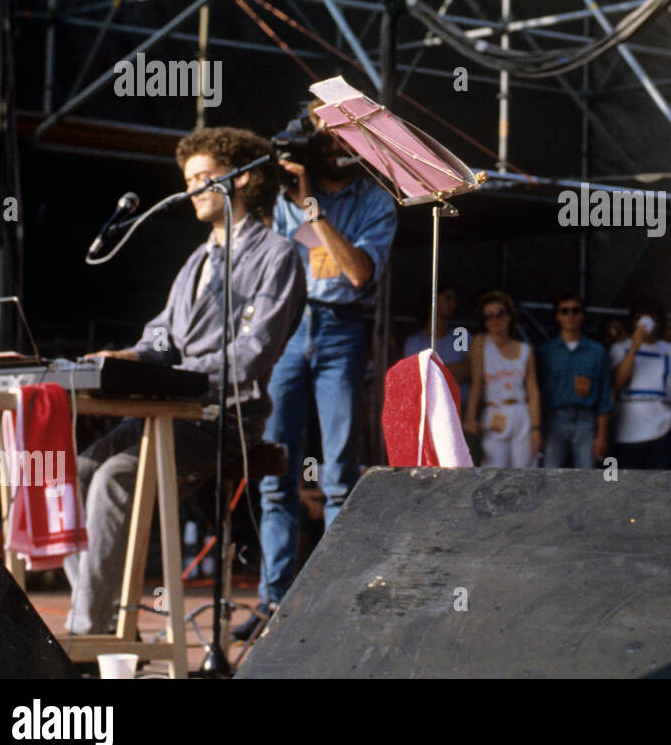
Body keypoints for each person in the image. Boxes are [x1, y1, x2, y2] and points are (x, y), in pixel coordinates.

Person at [66, 128, 305, 635]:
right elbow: (162, 338)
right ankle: (104, 618)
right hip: (166, 409)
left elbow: (251, 354)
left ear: (239, 181)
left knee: (114, 479)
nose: (193, 189)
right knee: (75, 471)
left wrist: (173, 377)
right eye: (188, 180)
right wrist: (125, 356)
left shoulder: (277, 257)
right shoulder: (197, 261)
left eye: (203, 178)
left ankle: (87, 634)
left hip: (220, 417)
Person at [238, 103, 397, 639]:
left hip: (341, 330)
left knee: (339, 475)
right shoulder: (279, 197)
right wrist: (284, 191)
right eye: (327, 138)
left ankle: (337, 600)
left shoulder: (375, 201)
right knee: (276, 473)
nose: (337, 148)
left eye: (346, 138)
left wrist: (312, 209)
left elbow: (356, 273)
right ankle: (274, 601)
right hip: (287, 327)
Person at [609, 295, 671, 469]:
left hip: (660, 431)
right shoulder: (619, 349)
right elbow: (617, 383)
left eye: (651, 318)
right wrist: (635, 345)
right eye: (640, 318)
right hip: (626, 431)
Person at [464, 290, 542, 467]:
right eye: (488, 316)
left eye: (499, 313)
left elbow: (533, 390)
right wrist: (470, 418)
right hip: (494, 412)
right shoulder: (481, 342)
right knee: (493, 470)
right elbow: (476, 383)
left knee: (524, 472)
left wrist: (536, 428)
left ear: (509, 317)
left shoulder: (525, 350)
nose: (494, 319)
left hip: (520, 412)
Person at [535, 292, 612, 468]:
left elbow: (604, 395)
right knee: (550, 475)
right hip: (554, 419)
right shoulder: (545, 352)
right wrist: (537, 429)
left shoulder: (597, 352)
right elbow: (536, 392)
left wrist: (602, 435)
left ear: (582, 315)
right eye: (565, 311)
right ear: (558, 316)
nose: (570, 316)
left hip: (586, 419)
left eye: (575, 311)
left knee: (586, 478)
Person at [403, 284, 469, 393]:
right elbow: (419, 377)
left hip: (461, 407)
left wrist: (434, 370)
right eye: (448, 298)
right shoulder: (414, 342)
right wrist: (455, 370)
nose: (454, 304)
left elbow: (469, 368)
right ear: (433, 301)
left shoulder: (461, 336)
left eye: (454, 299)